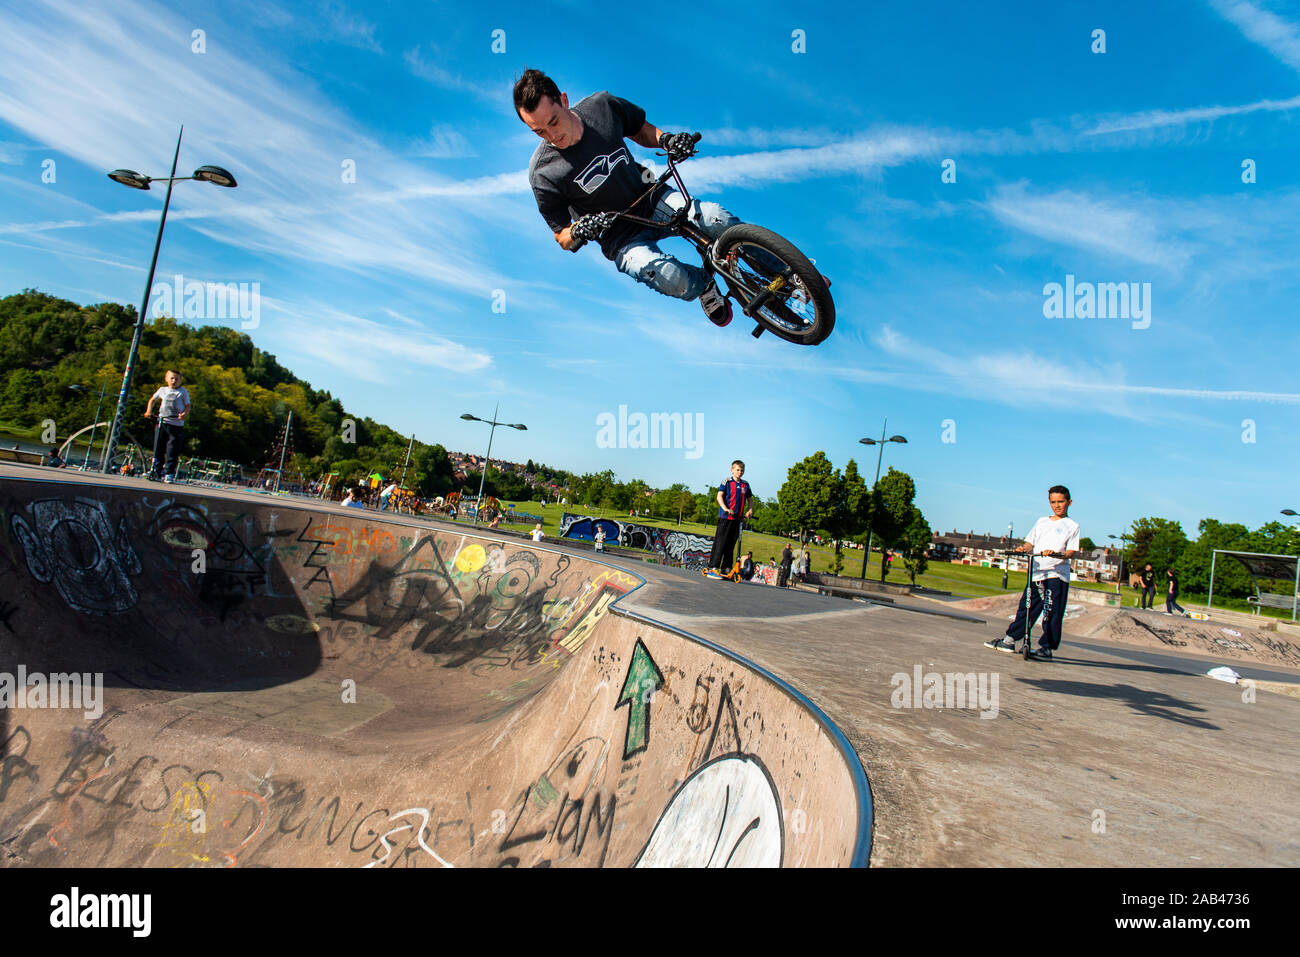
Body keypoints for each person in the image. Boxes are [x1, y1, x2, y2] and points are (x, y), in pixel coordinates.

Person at [516, 69, 783, 328]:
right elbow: (562, 235)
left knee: (717, 218)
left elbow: (640, 130)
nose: (552, 135)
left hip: (651, 200)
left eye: (553, 122)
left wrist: (668, 140)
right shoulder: (542, 173)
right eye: (539, 132)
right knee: (672, 279)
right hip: (620, 238)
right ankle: (705, 284)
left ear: (564, 100)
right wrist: (578, 230)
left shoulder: (601, 106)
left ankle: (791, 273)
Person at [983, 485, 1081, 662]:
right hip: (1037, 573)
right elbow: (1030, 543)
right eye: (1053, 502)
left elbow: (1071, 552)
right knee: (1026, 608)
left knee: (1052, 612)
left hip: (1056, 574)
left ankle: (1046, 648)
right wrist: (1023, 548)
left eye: (1061, 502)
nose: (1057, 505)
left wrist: (1056, 553)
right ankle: (1010, 640)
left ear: (1069, 502)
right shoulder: (1042, 521)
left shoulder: (1072, 526)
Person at [703, 460, 753, 579]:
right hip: (726, 518)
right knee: (720, 543)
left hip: (737, 519)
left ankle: (726, 568)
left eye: (742, 470)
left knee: (731, 545)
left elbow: (750, 499)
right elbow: (719, 495)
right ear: (732, 470)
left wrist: (750, 510)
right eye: (737, 470)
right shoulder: (727, 481)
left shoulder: (745, 485)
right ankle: (713, 568)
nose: (740, 472)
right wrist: (725, 508)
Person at [143, 369, 191, 484]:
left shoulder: (182, 392)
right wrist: (148, 410)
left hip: (175, 424)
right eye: (172, 378)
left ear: (180, 380)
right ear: (166, 378)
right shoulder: (162, 390)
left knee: (172, 449)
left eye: (177, 379)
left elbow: (188, 406)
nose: (174, 381)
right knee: (158, 448)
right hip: (162, 422)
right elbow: (152, 400)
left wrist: (183, 414)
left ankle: (169, 473)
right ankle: (156, 471)